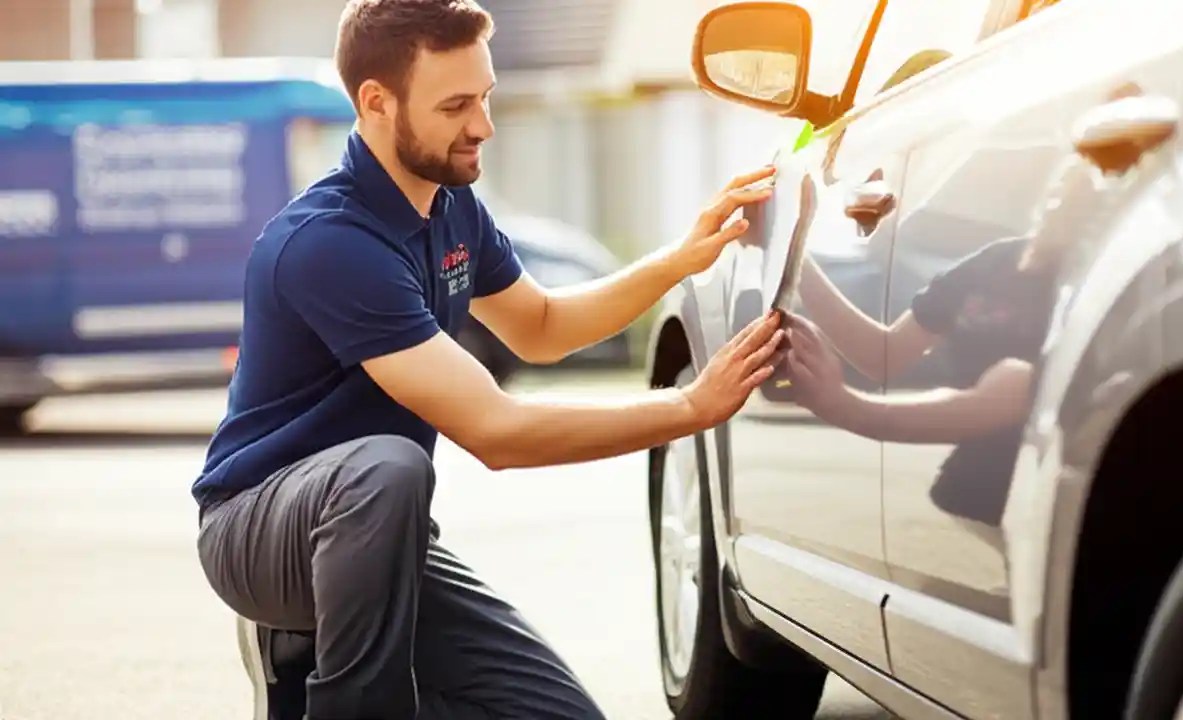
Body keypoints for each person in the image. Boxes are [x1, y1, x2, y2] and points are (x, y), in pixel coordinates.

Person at [192, 1, 783, 718]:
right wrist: (687, 408)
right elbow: (496, 432)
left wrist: (678, 261)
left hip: (382, 536)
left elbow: (541, 326)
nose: (484, 125)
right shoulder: (328, 243)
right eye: (456, 105)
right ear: (376, 103)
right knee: (388, 465)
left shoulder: (450, 208)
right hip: (261, 531)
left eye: (487, 96)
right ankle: (314, 673)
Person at [784, 152, 1101, 526]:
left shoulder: (1099, 281)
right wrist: (793, 256)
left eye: (1085, 194)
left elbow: (1012, 393)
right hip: (969, 496)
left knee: (1017, 381)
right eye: (1062, 185)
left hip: (1051, 504)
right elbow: (884, 355)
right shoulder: (995, 263)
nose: (1063, 200)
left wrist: (844, 406)